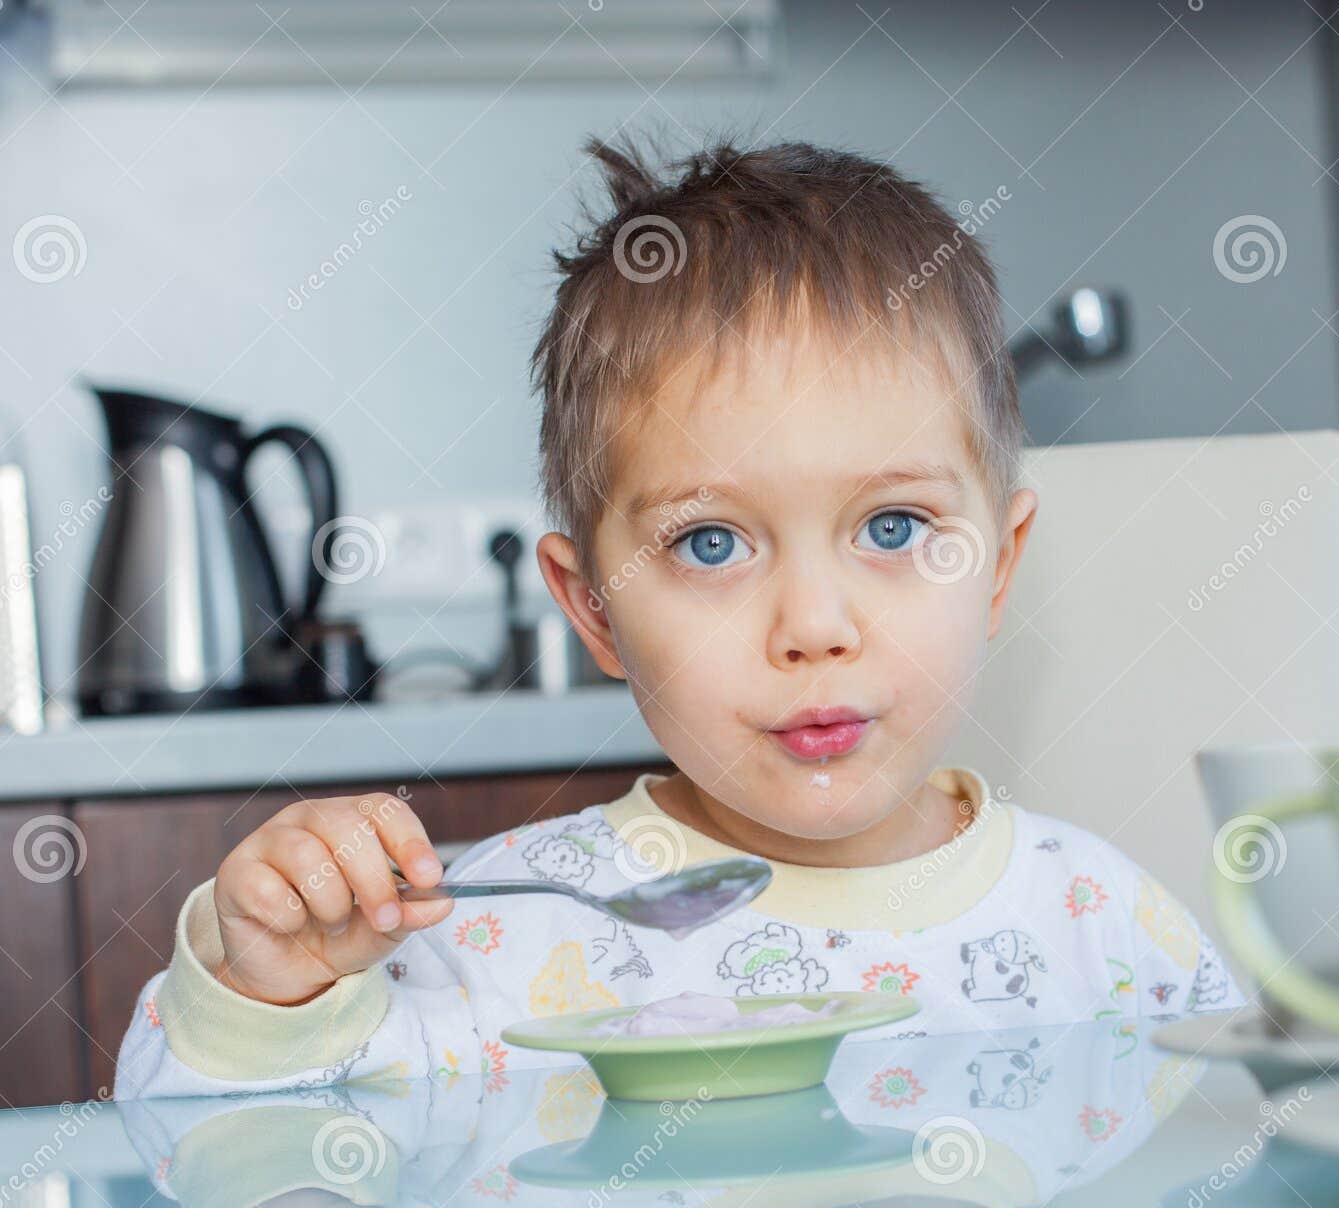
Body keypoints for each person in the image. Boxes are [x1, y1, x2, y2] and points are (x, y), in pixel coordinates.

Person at [117, 133, 1244, 1101]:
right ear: (592, 609)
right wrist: (273, 987)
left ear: (997, 566)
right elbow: (210, 1156)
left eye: (893, 528)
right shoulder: (496, 940)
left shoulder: (1105, 930)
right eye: (712, 544)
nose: (813, 626)